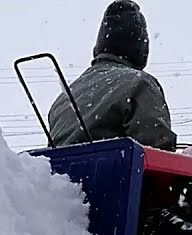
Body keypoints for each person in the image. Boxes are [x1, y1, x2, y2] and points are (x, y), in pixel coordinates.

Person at [47, 1, 177, 151]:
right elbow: (157, 148)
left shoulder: (64, 97)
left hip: (69, 166)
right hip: (114, 166)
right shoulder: (139, 83)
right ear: (140, 49)